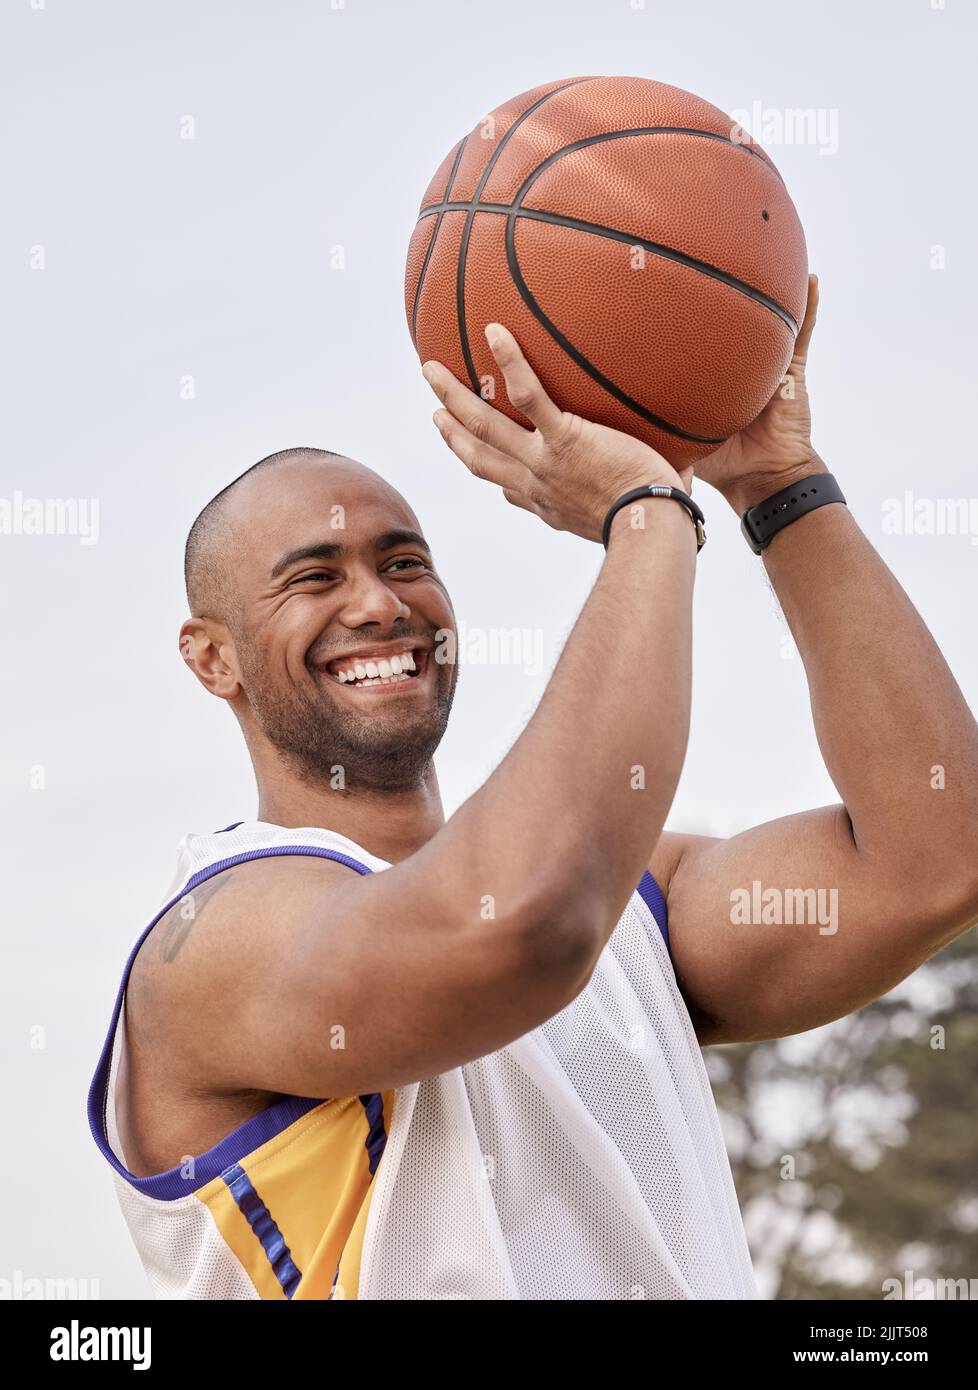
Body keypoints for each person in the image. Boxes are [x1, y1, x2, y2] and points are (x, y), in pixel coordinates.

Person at [87, 276, 978, 1299]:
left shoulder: (633, 904)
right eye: (314, 577)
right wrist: (648, 520)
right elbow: (523, 923)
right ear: (212, 659)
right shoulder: (210, 940)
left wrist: (779, 482)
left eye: (404, 561)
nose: (380, 603)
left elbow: (935, 855)